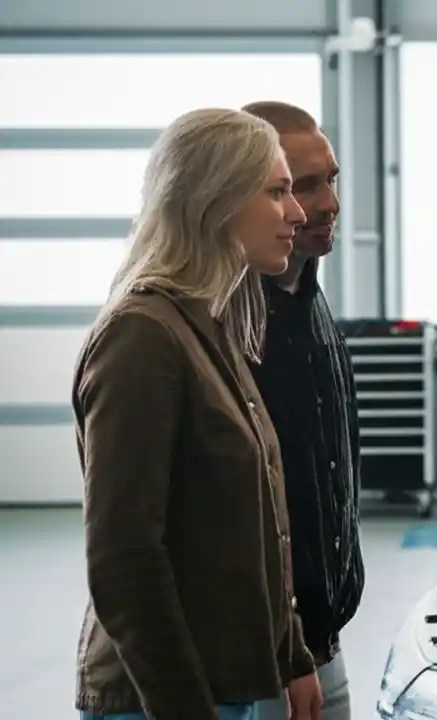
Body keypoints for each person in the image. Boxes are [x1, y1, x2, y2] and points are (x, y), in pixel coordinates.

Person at [73, 107, 323, 719]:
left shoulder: (209, 323)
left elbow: (260, 519)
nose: (296, 213)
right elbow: (125, 556)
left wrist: (293, 657)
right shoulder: (142, 335)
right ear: (216, 199)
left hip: (224, 686)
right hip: (157, 701)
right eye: (277, 191)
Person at [239, 101, 362, 720]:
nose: (326, 205)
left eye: (329, 180)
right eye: (299, 187)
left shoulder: (308, 296)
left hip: (319, 635)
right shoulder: (226, 325)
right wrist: (285, 648)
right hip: (263, 651)